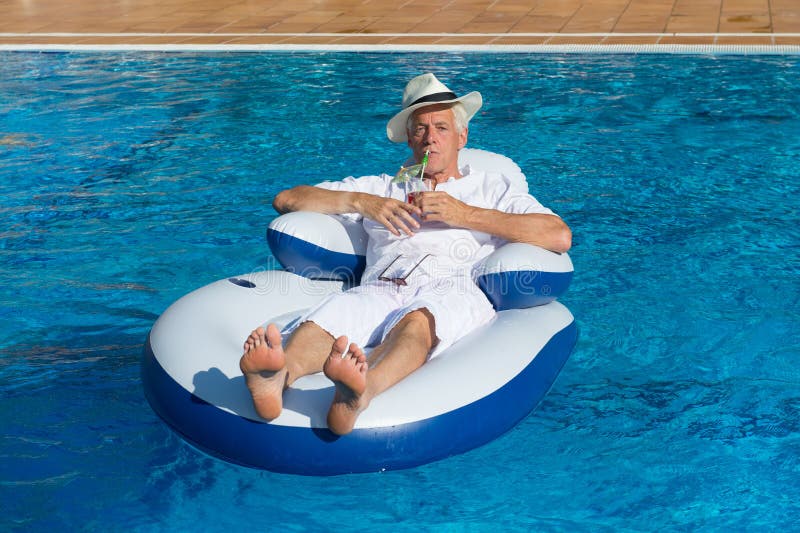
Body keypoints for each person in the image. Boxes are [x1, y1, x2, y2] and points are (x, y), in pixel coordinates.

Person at [240, 73, 572, 435]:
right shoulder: (383, 187)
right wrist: (361, 202)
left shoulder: (492, 187)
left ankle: (359, 394)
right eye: (421, 129)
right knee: (331, 316)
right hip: (381, 286)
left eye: (442, 128)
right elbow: (287, 199)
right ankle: (277, 375)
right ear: (410, 140)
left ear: (462, 136)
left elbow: (558, 234)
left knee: (419, 320)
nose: (431, 137)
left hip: (451, 287)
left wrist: (464, 214)